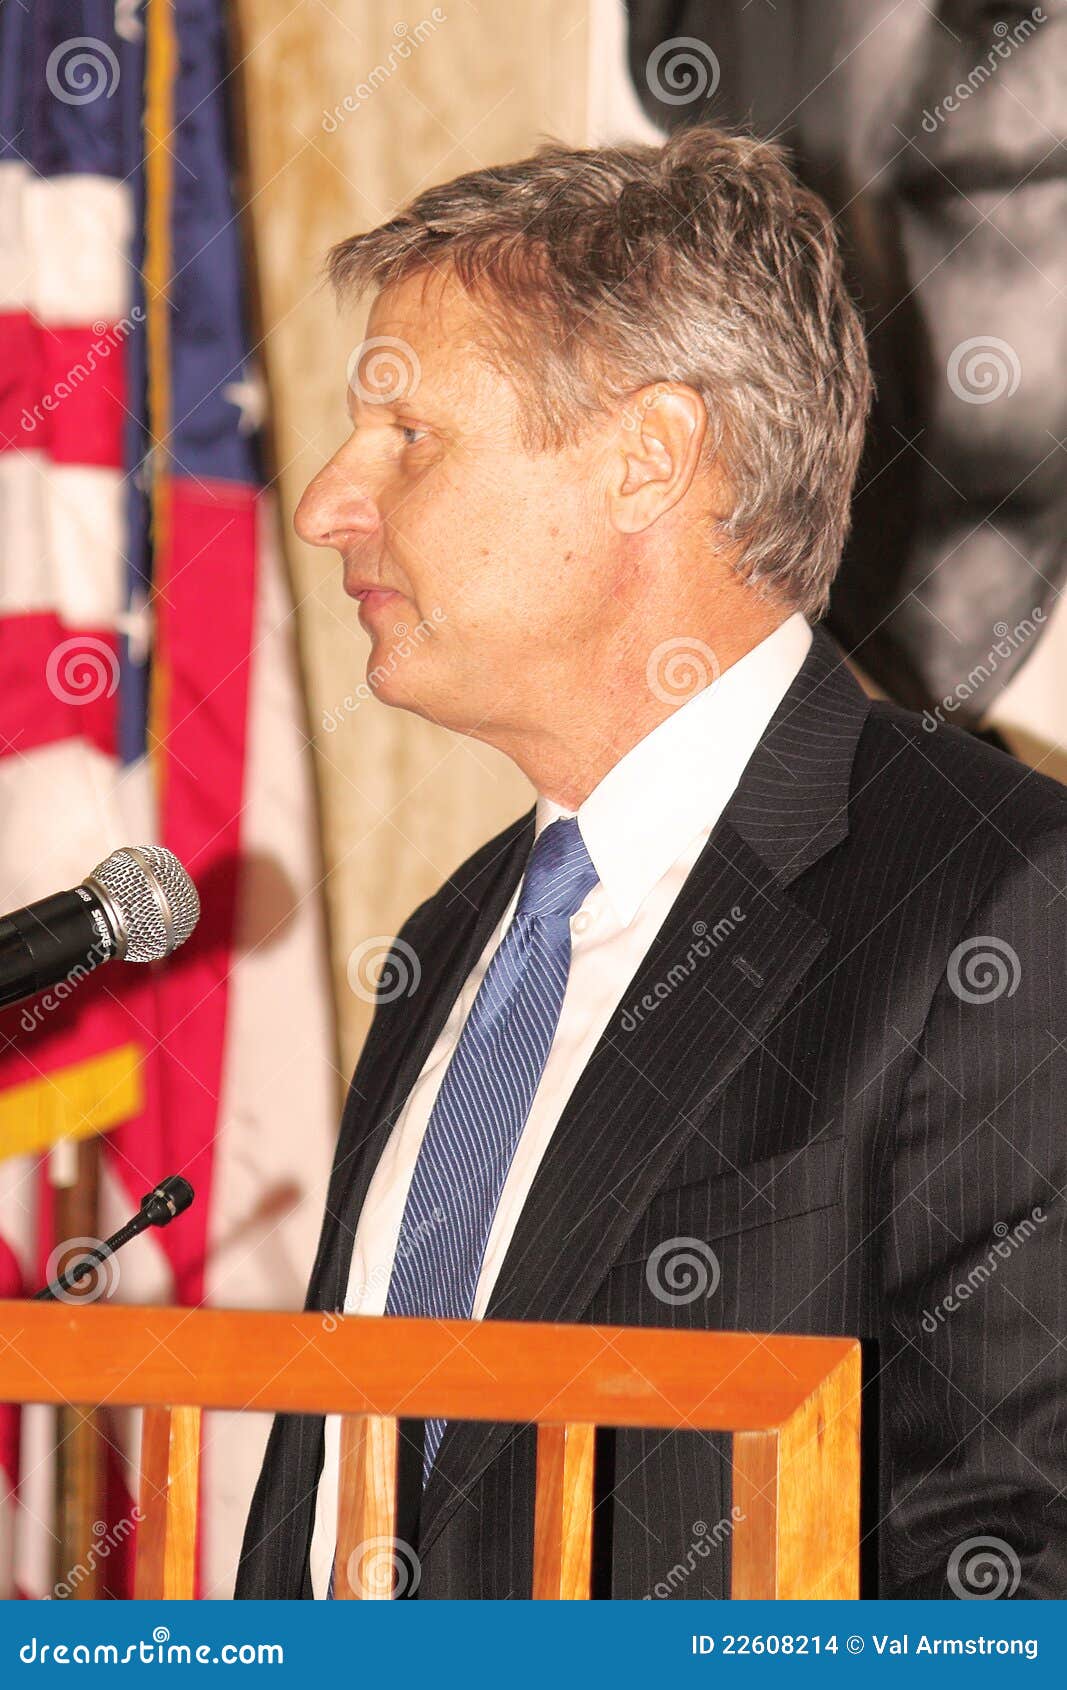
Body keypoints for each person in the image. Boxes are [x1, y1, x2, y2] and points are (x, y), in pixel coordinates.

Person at [236, 124, 1067, 1601]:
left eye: (409, 437)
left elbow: (1016, 1563)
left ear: (649, 458)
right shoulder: (456, 932)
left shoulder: (1002, 903)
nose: (328, 504)